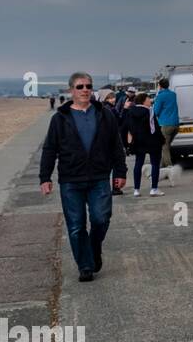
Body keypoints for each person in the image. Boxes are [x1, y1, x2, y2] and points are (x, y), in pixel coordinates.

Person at [39, 72, 127, 283]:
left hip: (99, 177)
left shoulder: (105, 114)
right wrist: (45, 177)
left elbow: (116, 145)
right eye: (80, 87)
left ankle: (93, 249)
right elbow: (50, 149)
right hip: (71, 180)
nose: (85, 89)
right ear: (71, 91)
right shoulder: (60, 119)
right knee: (76, 226)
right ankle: (85, 266)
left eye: (88, 86)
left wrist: (121, 172)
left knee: (101, 219)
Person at [122, 92, 164, 196]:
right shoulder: (150, 111)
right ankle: (154, 189)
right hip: (152, 141)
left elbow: (126, 126)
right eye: (148, 98)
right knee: (155, 164)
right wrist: (162, 140)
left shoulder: (130, 112)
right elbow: (155, 128)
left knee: (138, 164)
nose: (150, 100)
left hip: (138, 141)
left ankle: (136, 190)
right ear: (144, 100)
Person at [152, 76, 180, 171]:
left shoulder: (160, 96)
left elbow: (156, 111)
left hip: (166, 124)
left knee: (164, 146)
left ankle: (169, 168)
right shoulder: (173, 94)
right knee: (166, 145)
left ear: (159, 86)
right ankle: (161, 167)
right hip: (175, 124)